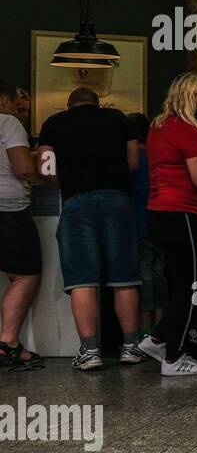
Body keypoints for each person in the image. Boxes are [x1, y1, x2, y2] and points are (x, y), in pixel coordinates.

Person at [35, 88, 144, 371]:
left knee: (82, 278)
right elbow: (133, 161)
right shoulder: (119, 118)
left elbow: (45, 170)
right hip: (118, 199)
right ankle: (131, 347)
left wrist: (69, 181)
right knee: (124, 277)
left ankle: (90, 351)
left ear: (69, 105)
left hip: (76, 202)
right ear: (97, 103)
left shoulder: (53, 123)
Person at [140, 73, 197, 377]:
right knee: (191, 286)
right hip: (182, 213)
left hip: (159, 213)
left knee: (179, 283)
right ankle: (173, 358)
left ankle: (157, 339)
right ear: (188, 97)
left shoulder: (158, 128)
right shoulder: (187, 131)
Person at [0, 79, 42, 369]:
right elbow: (23, 167)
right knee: (25, 274)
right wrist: (42, 177)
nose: (20, 109)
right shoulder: (8, 123)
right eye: (18, 102)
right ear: (4, 101)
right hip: (8, 208)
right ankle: (8, 344)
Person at [126, 113, 166, 340]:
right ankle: (160, 332)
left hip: (137, 226)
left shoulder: (130, 161)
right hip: (160, 223)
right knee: (160, 278)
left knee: (142, 280)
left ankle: (144, 333)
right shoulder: (156, 157)